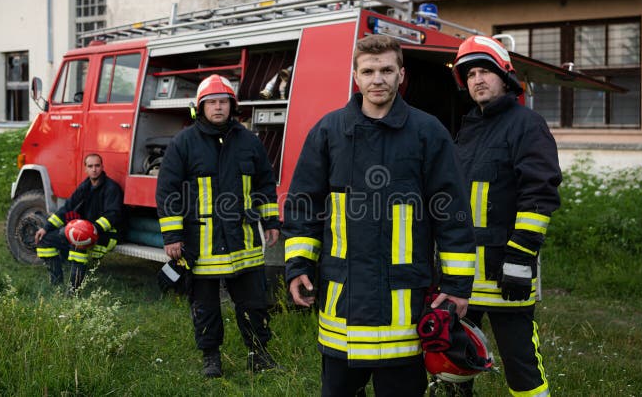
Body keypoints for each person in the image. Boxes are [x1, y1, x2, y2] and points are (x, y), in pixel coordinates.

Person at [283, 34, 477, 397]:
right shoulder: (329, 132)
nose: (378, 79)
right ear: (355, 76)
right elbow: (304, 206)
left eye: (387, 70)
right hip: (343, 307)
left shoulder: (428, 133)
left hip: (403, 309)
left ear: (401, 75)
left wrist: (455, 286)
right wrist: (298, 266)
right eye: (369, 70)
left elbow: (451, 213)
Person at [451, 35, 562, 397]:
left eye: (485, 71)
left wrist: (520, 257)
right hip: (463, 278)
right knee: (454, 362)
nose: (477, 80)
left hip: (505, 275)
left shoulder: (527, 124)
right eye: (469, 75)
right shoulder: (468, 128)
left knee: (521, 365)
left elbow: (539, 194)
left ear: (505, 77)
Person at [155, 74, 281, 378]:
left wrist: (271, 220)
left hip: (244, 242)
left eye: (223, 101)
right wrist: (173, 235)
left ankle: (259, 355)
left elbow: (265, 182)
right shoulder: (183, 143)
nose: (218, 107)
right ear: (201, 107)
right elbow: (168, 190)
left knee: (254, 304)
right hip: (202, 245)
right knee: (205, 307)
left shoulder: (249, 142)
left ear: (231, 105)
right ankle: (211, 358)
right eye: (211, 102)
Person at [35, 153, 124, 293]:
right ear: (85, 169)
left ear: (102, 167)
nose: (94, 169)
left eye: (97, 165)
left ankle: (73, 291)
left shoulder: (111, 188)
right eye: (90, 166)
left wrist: (93, 229)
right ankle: (56, 284)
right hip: (85, 231)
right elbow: (67, 208)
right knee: (45, 240)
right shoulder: (85, 186)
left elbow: (113, 215)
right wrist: (46, 228)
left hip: (107, 234)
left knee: (79, 243)